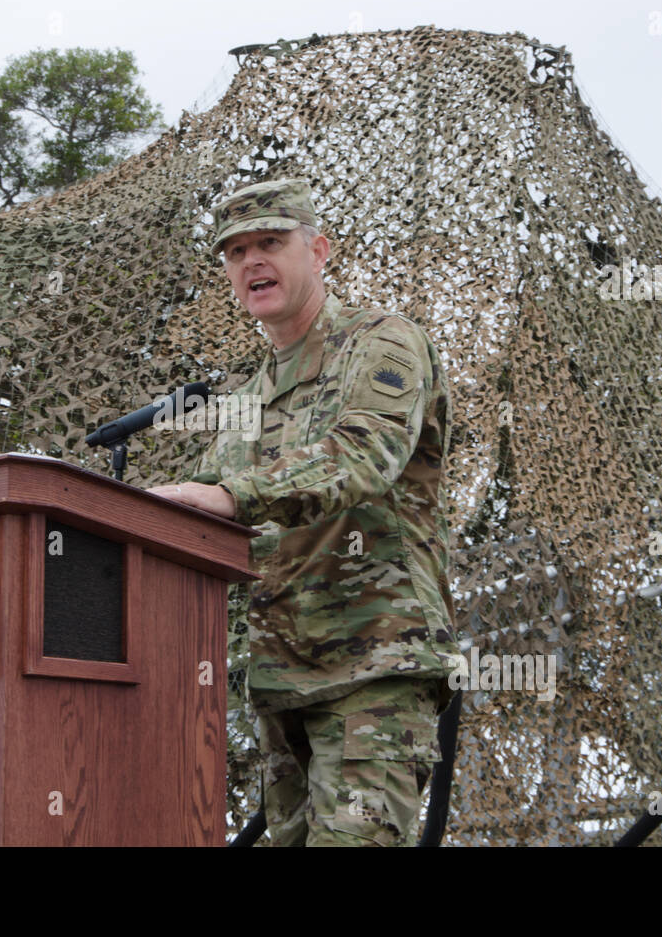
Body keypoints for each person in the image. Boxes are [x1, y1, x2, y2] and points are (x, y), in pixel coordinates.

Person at [149, 178, 464, 846]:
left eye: (270, 242)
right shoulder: (246, 399)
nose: (252, 261)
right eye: (236, 251)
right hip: (278, 686)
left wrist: (235, 496)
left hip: (372, 670)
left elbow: (363, 455)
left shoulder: (382, 343)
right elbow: (191, 510)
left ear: (319, 250)